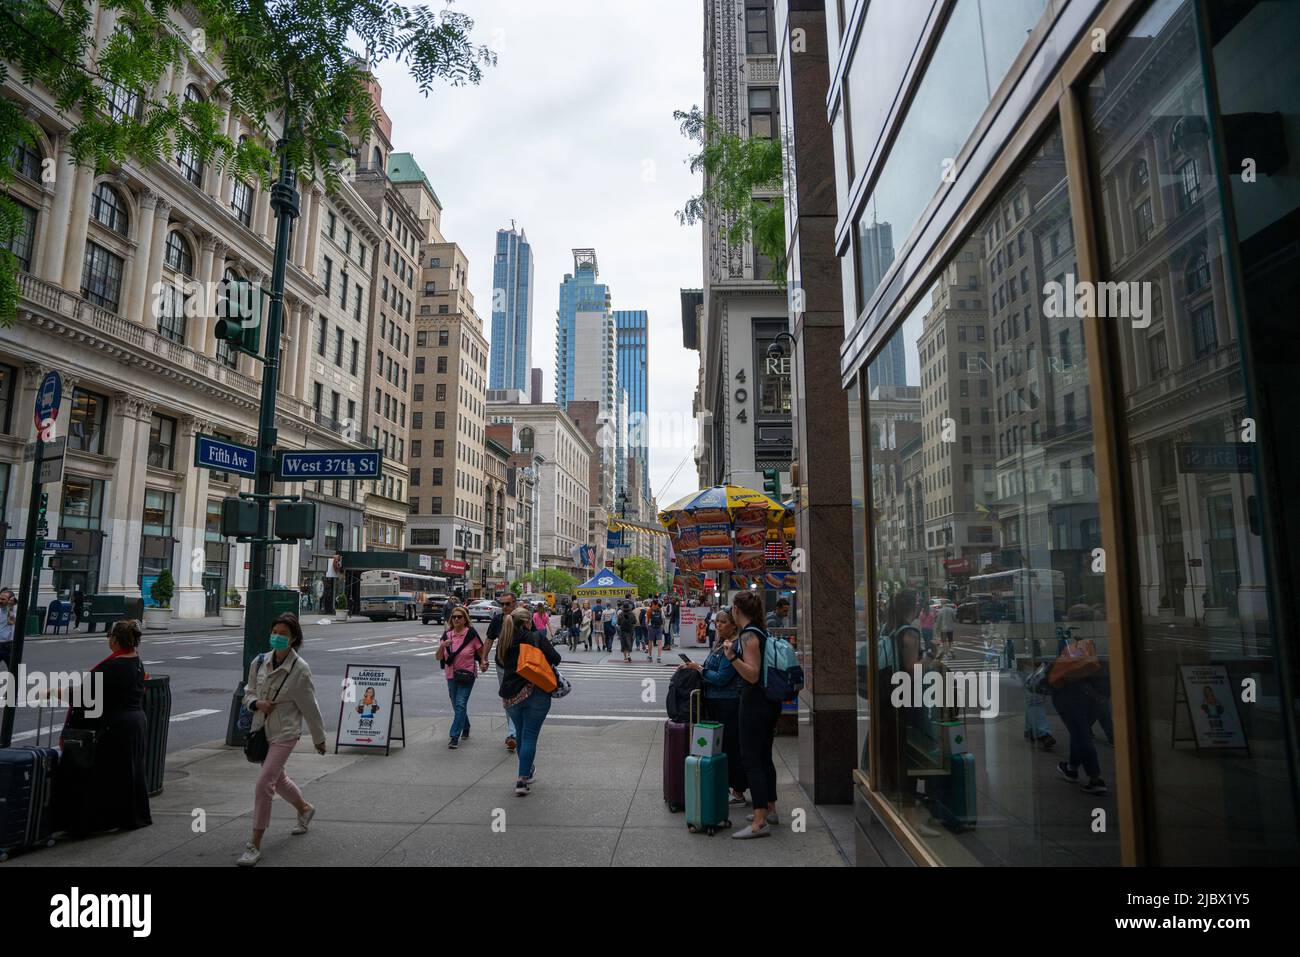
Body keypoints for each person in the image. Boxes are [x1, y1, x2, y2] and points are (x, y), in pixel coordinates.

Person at [238, 613, 327, 867]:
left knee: (264, 783)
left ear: (294, 638)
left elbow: (311, 707)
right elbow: (248, 692)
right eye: (274, 631)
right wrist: (256, 703)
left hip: (286, 733)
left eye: (283, 634)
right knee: (278, 779)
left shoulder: (300, 670)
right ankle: (305, 808)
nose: (277, 637)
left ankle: (254, 844)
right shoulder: (260, 662)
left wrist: (319, 739)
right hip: (261, 729)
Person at [55, 619, 152, 837]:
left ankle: (98, 821)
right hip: (133, 722)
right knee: (127, 774)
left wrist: (57, 692)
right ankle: (130, 816)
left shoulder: (113, 665)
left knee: (105, 776)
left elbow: (86, 697)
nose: (108, 640)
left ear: (116, 639)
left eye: (109, 636)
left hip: (115, 726)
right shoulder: (135, 660)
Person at [725, 591, 781, 839]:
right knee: (765, 756)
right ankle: (770, 808)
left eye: (731, 608)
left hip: (755, 701)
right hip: (768, 702)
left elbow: (752, 674)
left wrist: (732, 657)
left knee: (752, 759)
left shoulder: (748, 635)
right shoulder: (761, 630)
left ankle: (759, 821)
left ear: (737, 609)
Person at [679, 608, 747, 807]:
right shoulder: (719, 644)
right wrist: (693, 666)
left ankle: (738, 790)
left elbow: (721, 678)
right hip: (715, 701)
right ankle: (724, 785)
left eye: (723, 622)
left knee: (730, 746)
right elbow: (711, 669)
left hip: (727, 702)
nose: (718, 625)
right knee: (718, 746)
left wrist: (699, 669)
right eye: (716, 622)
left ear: (733, 625)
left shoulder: (732, 646)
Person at [496, 605, 562, 796]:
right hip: (536, 692)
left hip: (511, 696)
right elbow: (555, 658)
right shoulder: (535, 637)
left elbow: (500, 662)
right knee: (530, 736)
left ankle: (526, 771)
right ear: (527, 622)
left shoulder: (505, 640)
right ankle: (522, 779)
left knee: (521, 734)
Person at [438, 605, 484, 749]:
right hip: (451, 675)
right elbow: (438, 657)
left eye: (460, 617)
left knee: (460, 703)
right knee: (456, 704)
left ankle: (454, 736)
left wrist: (484, 662)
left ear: (465, 619)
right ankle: (466, 725)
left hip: (466, 675)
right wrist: (442, 646)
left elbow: (481, 652)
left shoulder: (471, 634)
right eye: (454, 617)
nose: (456, 619)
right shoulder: (447, 635)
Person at [483, 591, 519, 752]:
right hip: (501, 665)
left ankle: (514, 733)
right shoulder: (497, 619)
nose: (504, 607)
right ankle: (513, 733)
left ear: (514, 604)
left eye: (507, 604)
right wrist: (483, 658)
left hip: (520, 667)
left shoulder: (521, 618)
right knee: (507, 698)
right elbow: (489, 639)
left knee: (517, 698)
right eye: (502, 604)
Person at [0, 587, 15, 671]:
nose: (0, 601)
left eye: (3, 599)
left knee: (12, 670)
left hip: (7, 645)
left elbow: (11, 621)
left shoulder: (13, 611)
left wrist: (10, 607)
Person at [647, 598, 666, 663]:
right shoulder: (660, 610)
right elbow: (663, 619)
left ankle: (650, 656)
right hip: (659, 627)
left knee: (650, 642)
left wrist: (648, 627)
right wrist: (662, 627)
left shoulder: (649, 610)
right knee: (660, 642)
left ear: (652, 603)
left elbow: (647, 620)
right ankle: (659, 657)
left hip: (651, 627)